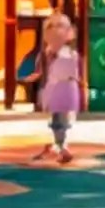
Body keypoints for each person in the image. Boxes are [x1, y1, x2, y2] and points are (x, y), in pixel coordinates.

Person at [27, 13, 81, 164]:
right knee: (58, 120)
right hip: (58, 89)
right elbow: (42, 73)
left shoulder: (68, 53)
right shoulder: (48, 53)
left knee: (61, 121)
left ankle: (62, 148)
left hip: (64, 90)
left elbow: (70, 73)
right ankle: (57, 146)